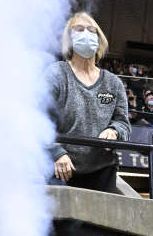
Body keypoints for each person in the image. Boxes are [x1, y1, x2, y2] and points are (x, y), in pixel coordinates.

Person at [47, 12, 130, 193]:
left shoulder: (113, 82)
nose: (86, 33)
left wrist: (114, 131)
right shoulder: (56, 74)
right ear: (69, 38)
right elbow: (38, 120)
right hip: (61, 168)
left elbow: (123, 123)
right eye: (79, 29)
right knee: (63, 221)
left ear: (99, 39)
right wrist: (57, 153)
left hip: (101, 170)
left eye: (91, 30)